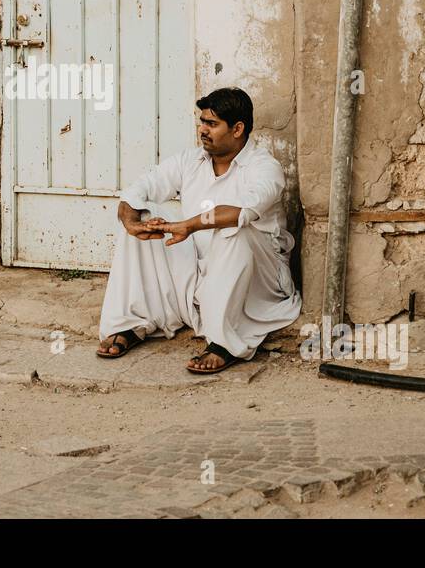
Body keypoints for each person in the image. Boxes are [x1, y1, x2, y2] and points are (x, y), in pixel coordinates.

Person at [95, 87, 301, 373]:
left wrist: (189, 225)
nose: (202, 130)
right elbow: (138, 189)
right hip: (202, 268)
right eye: (202, 122)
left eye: (212, 124)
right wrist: (131, 220)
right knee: (145, 216)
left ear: (238, 128)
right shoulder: (190, 161)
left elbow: (239, 212)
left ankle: (224, 342)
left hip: (257, 281)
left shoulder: (265, 168)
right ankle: (132, 324)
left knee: (235, 228)